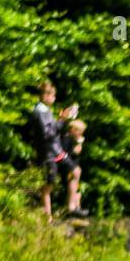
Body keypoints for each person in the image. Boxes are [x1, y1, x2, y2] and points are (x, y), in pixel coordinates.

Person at [29, 80, 87, 219]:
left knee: (76, 171)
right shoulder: (40, 110)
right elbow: (47, 134)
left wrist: (63, 119)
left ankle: (72, 206)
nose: (54, 99)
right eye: (53, 96)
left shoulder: (45, 110)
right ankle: (48, 218)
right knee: (48, 185)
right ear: (45, 96)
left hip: (57, 152)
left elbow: (52, 130)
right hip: (49, 154)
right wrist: (61, 120)